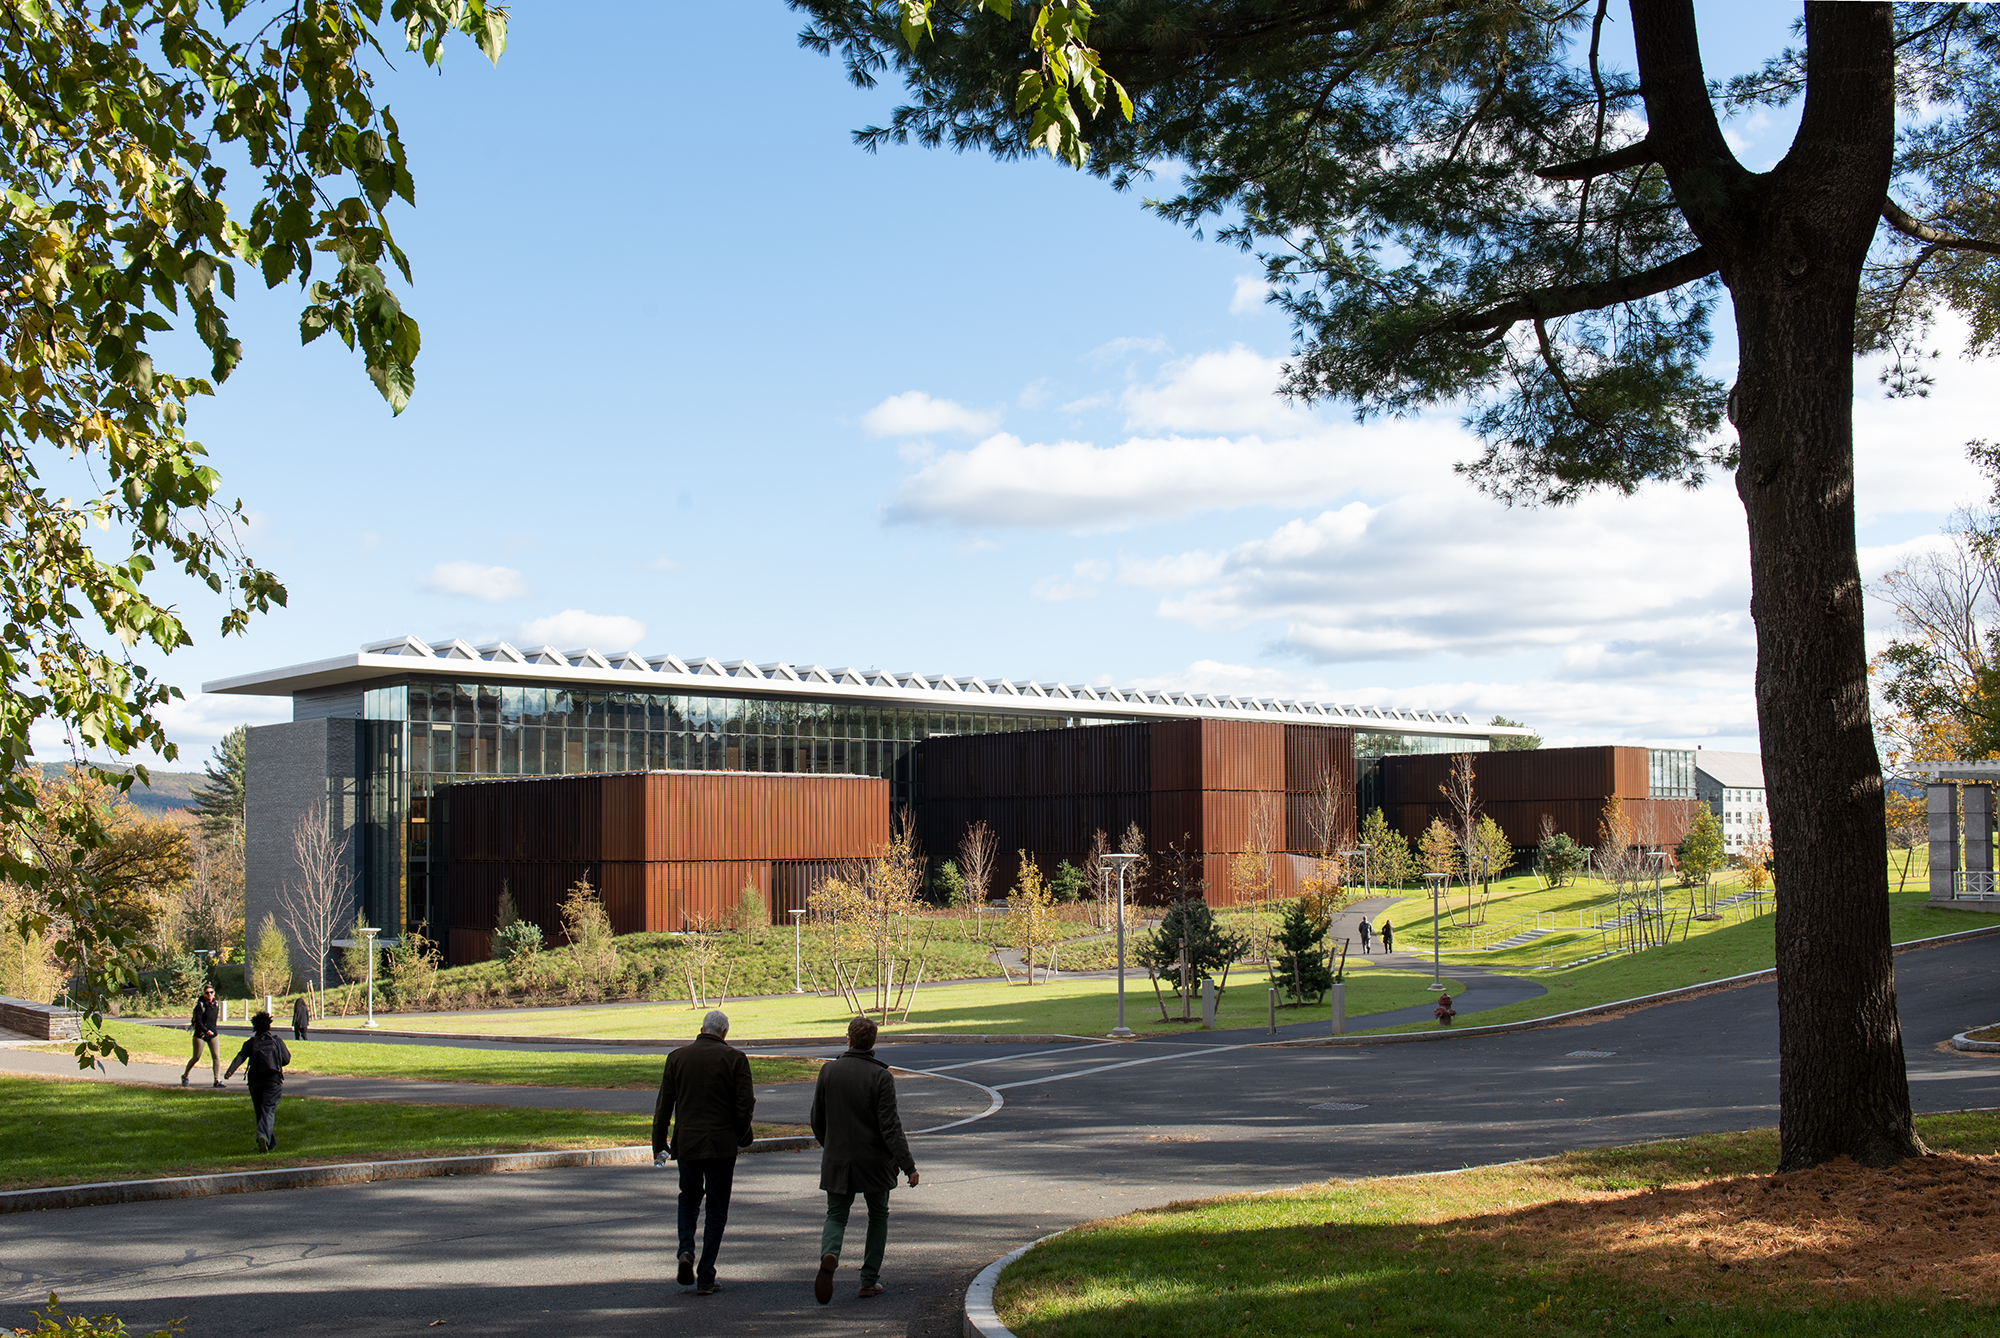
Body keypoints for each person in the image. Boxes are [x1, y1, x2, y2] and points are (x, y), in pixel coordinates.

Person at [811, 1016, 918, 1305]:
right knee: (878, 1216)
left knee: (836, 1215)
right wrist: (908, 1165)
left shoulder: (828, 1072)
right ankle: (868, 1280)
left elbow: (817, 1120)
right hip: (875, 1161)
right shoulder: (881, 1077)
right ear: (873, 1042)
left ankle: (830, 1253)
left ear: (848, 1038)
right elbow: (890, 1127)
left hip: (837, 1159)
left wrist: (831, 1146)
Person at [653, 1009, 754, 1297]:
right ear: (724, 1033)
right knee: (717, 1208)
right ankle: (707, 1274)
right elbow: (744, 1104)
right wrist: (743, 1134)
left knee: (688, 1199)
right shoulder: (735, 1059)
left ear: (702, 1028)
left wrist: (660, 1142)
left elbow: (664, 1106)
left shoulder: (677, 1058)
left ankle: (686, 1250)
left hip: (687, 1143)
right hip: (722, 1144)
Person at [222, 1011, 291, 1150]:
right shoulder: (277, 1041)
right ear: (269, 1026)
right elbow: (286, 1059)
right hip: (273, 1081)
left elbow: (240, 1057)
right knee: (269, 1110)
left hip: (255, 1082)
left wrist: (230, 1071)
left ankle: (268, 1143)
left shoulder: (251, 1043)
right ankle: (263, 1136)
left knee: (260, 1112)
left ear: (254, 1026)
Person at [180, 983, 223, 1088]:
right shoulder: (200, 1006)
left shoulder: (216, 1004)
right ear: (204, 994)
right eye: (207, 993)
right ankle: (185, 1076)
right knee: (196, 1057)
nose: (209, 995)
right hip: (201, 1035)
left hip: (213, 1034)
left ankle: (217, 1080)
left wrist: (212, 1031)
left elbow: (213, 1020)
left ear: (214, 993)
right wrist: (205, 1030)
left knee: (216, 1056)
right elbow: (198, 1021)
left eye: (211, 992)